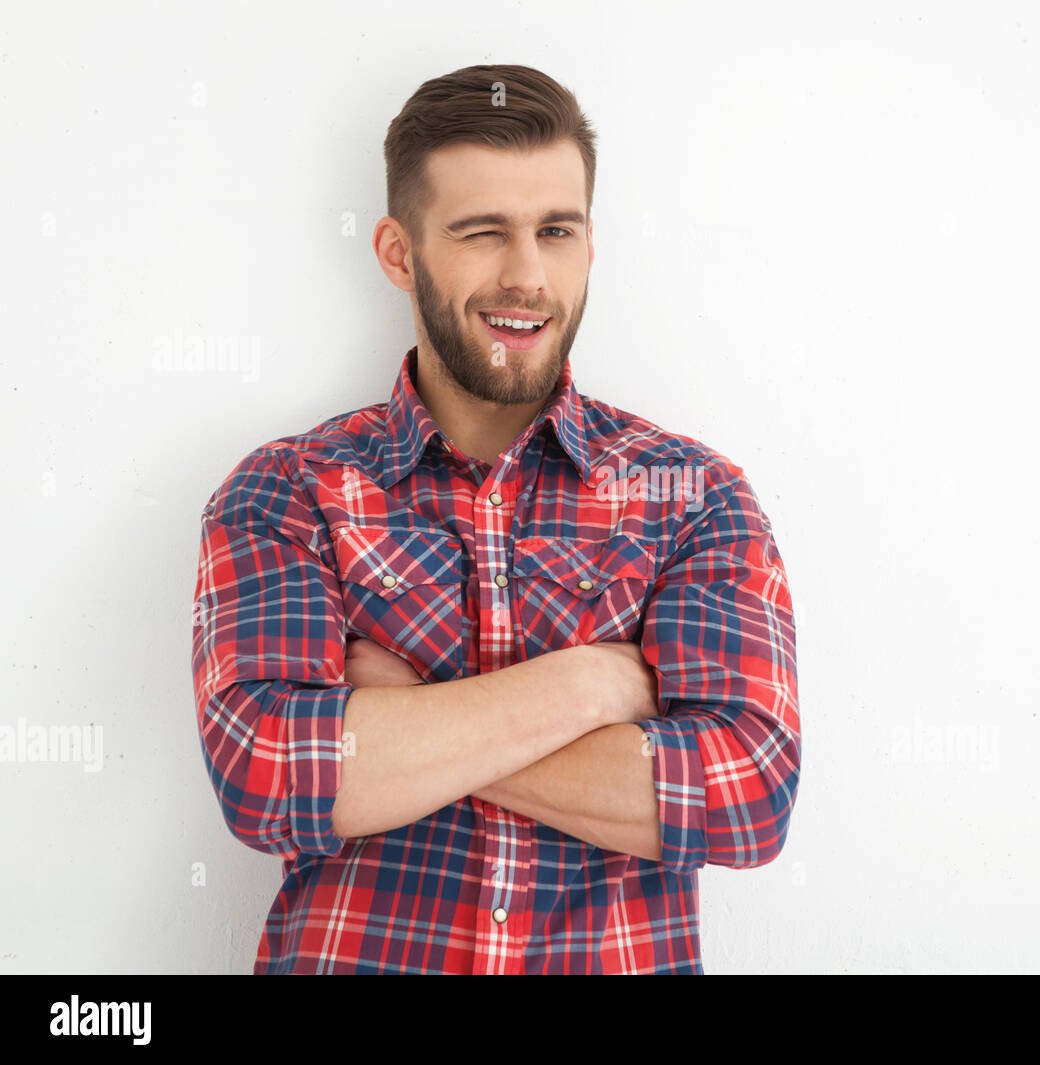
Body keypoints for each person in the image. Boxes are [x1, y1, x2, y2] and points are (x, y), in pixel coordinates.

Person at [190, 63, 800, 974]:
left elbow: (744, 797)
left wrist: (405, 720)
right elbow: (271, 777)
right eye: (483, 232)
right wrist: (590, 686)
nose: (527, 276)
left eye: (557, 230)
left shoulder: (692, 494)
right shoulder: (288, 491)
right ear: (398, 254)